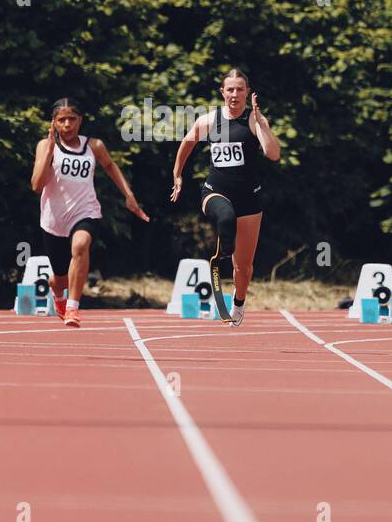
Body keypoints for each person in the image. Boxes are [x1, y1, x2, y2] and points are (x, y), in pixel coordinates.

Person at [171, 69, 281, 325]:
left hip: (249, 198)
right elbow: (187, 142)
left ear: (247, 93)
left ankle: (239, 302)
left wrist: (262, 122)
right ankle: (220, 256)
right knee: (225, 215)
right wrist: (177, 174)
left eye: (239, 89)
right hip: (214, 191)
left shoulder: (253, 120)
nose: (234, 94)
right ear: (222, 92)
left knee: (244, 268)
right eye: (229, 89)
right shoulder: (209, 121)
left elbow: (273, 154)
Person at [30, 97, 149, 328]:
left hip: (85, 211)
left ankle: (73, 308)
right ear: (53, 123)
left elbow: (110, 166)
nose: (67, 124)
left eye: (72, 119)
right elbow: (36, 186)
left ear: (80, 120)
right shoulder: (45, 147)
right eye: (61, 120)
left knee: (81, 245)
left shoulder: (94, 146)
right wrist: (49, 152)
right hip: (54, 220)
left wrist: (129, 195)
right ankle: (58, 291)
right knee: (60, 278)